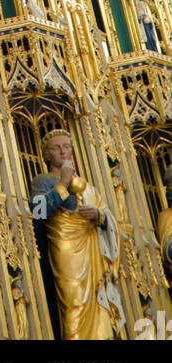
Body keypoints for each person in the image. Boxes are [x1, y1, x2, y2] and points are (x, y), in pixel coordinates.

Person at [30, 130, 121, 340]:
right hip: (66, 248)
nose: (63, 151)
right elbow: (38, 212)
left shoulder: (87, 186)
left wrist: (98, 216)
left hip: (91, 249)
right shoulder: (43, 181)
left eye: (67, 146)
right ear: (46, 155)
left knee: (99, 302)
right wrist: (62, 184)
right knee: (73, 301)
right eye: (56, 147)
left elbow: (106, 216)